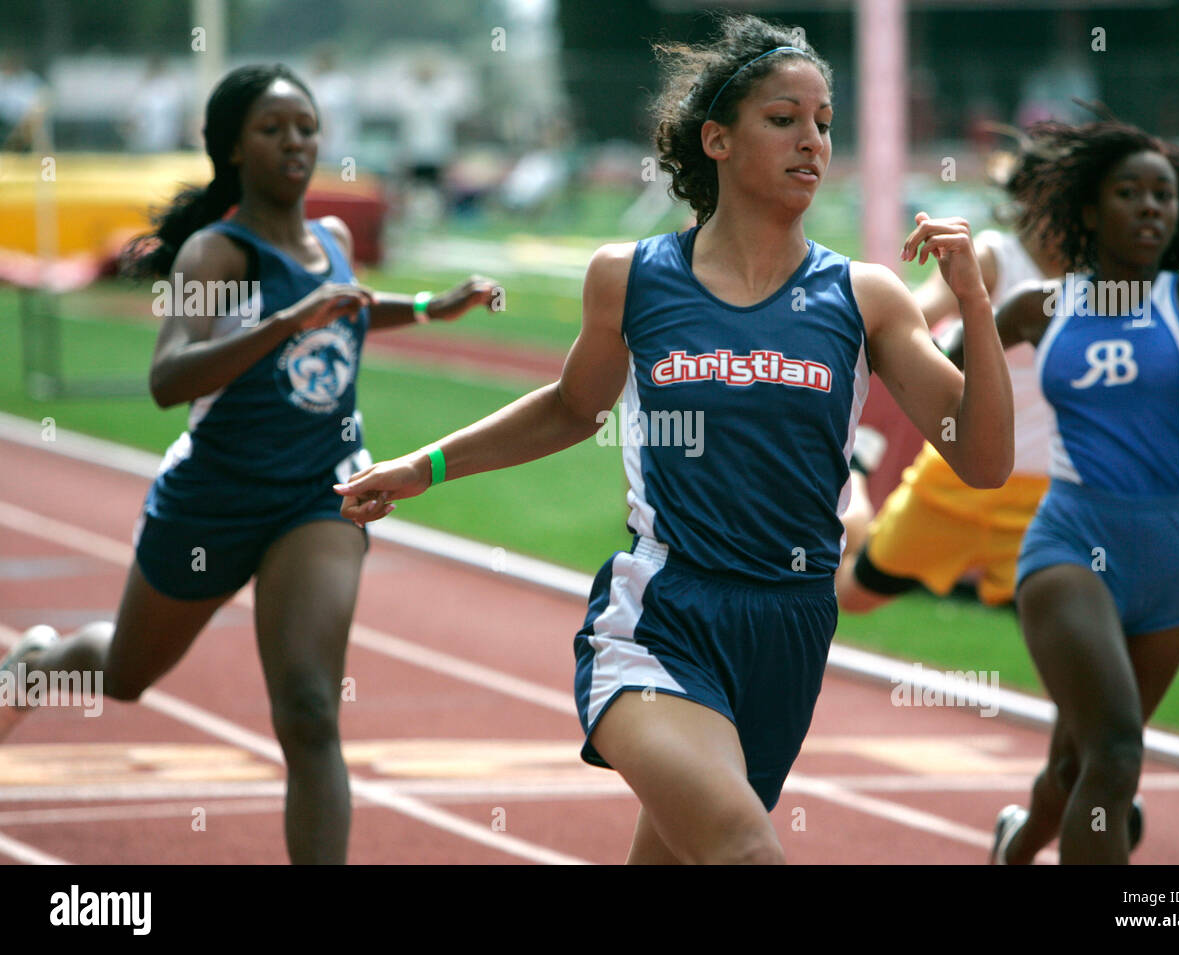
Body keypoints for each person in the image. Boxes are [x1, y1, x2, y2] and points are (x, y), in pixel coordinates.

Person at [334, 15, 1014, 865]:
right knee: (743, 851)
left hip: (793, 624)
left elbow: (984, 460)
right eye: (784, 119)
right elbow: (570, 409)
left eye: (824, 123)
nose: (812, 141)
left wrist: (976, 307)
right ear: (717, 140)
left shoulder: (866, 297)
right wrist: (422, 466)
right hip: (663, 617)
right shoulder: (632, 276)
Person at [0, 64, 499, 864]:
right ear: (235, 147)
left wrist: (430, 307)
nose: (295, 141)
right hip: (212, 498)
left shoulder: (332, 242)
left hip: (320, 491)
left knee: (307, 709)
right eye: (273, 129)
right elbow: (169, 378)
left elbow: (347, 316)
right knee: (126, 673)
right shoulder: (214, 255)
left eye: (304, 125)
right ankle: (37, 665)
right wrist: (286, 321)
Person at [938, 120, 1179, 864]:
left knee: (1077, 763)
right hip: (1070, 541)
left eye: (1163, 195)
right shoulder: (1040, 305)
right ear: (1091, 210)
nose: (1149, 208)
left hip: (1168, 557)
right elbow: (937, 380)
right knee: (1116, 753)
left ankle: (1014, 846)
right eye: (1128, 193)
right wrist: (971, 305)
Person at [837, 134, 1067, 614]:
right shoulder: (995, 256)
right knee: (852, 596)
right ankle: (854, 478)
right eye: (1052, 197)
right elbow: (915, 316)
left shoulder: (1101, 279)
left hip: (1048, 494)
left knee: (1064, 622)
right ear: (1026, 198)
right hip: (955, 481)